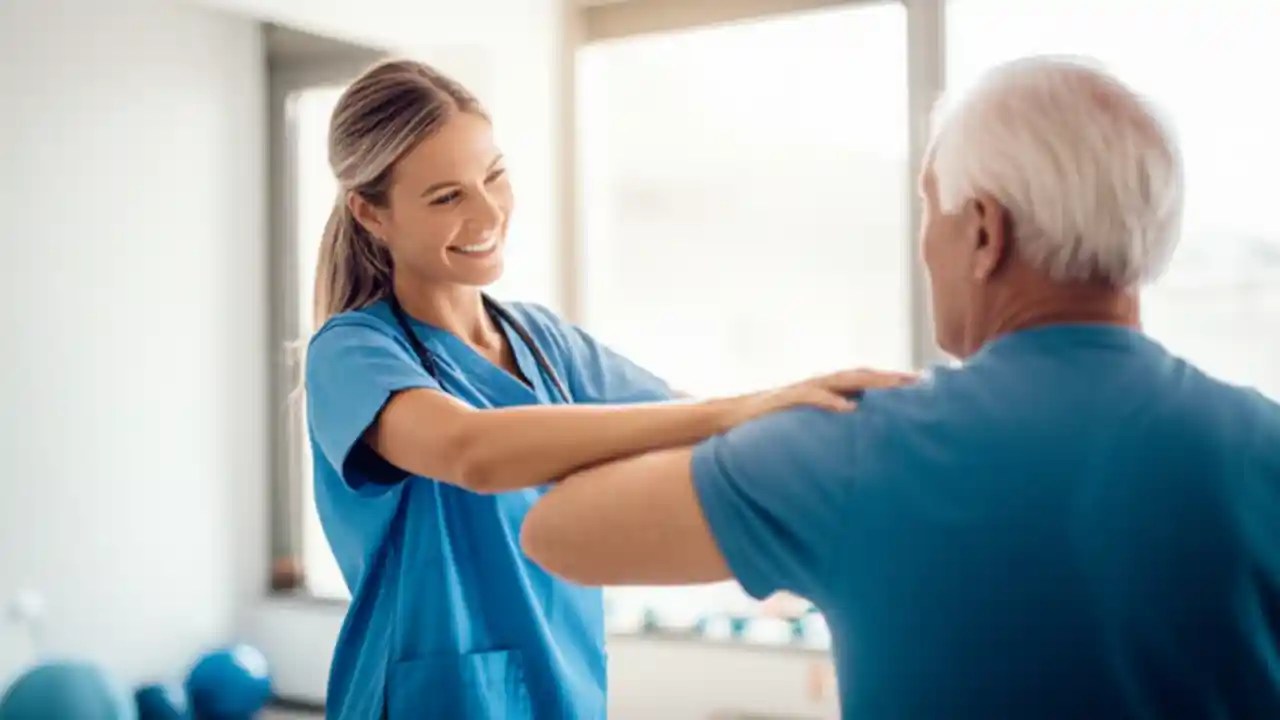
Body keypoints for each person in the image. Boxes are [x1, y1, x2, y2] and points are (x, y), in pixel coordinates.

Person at [521, 55, 1280, 719]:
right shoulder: (1264, 447)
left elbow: (559, 531)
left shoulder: (853, 446)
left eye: (928, 206)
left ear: (983, 231)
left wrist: (744, 411)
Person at [303, 58, 912, 720]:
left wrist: (853, 431)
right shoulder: (353, 352)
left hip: (563, 692)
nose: (488, 213)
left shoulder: (544, 343)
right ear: (371, 213)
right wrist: (731, 411)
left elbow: (693, 432)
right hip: (430, 702)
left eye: (495, 176)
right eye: (447, 197)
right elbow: (471, 451)